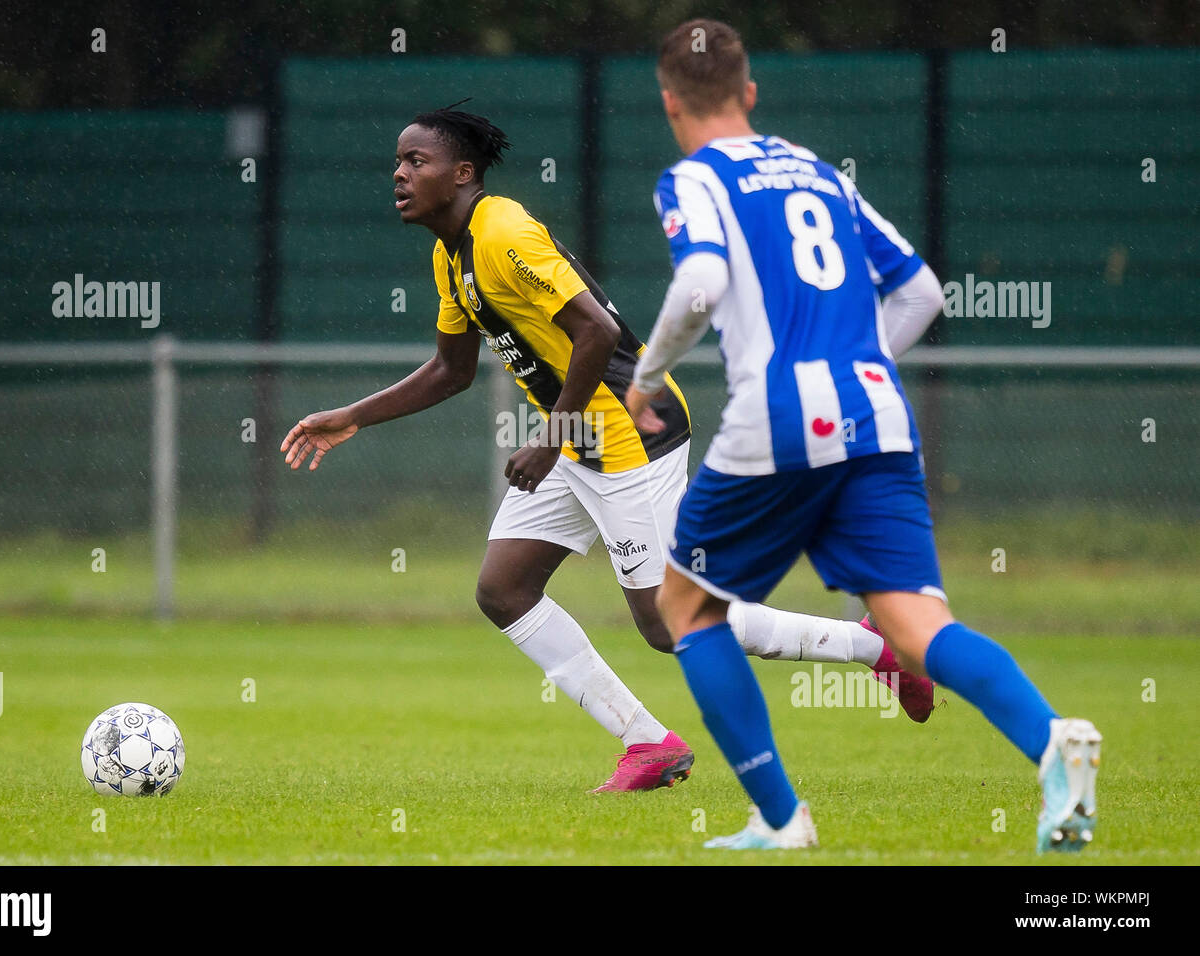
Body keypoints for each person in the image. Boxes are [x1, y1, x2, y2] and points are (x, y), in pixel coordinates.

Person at [281, 104, 931, 794]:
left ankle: (876, 646)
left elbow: (594, 331)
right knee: (504, 591)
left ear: (462, 173)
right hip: (576, 438)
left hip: (627, 436)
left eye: (417, 161)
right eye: (399, 161)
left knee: (665, 621)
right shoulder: (451, 254)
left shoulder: (502, 230)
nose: (400, 174)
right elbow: (452, 369)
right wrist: (351, 415)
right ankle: (649, 743)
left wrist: (552, 437)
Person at [625, 19, 1101, 851]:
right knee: (915, 627)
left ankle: (781, 819)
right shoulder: (818, 173)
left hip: (779, 416)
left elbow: (700, 280)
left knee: (685, 608)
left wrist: (644, 378)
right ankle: (1052, 741)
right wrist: (854, 363)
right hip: (878, 410)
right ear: (750, 92)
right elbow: (921, 291)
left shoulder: (693, 179)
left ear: (668, 102)